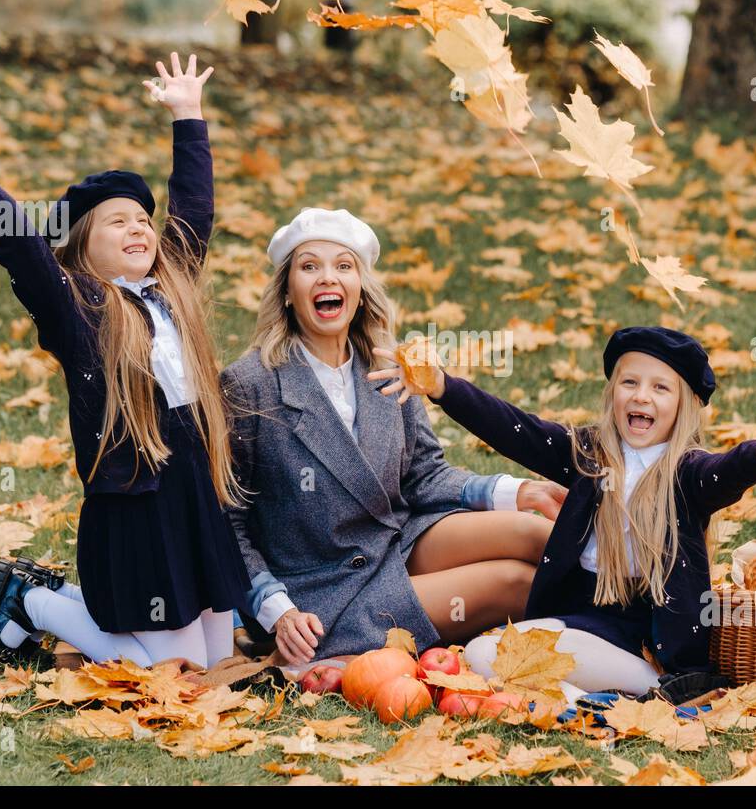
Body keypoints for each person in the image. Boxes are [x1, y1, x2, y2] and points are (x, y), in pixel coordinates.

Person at [0, 54, 249, 671]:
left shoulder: (170, 286)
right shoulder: (77, 307)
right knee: (178, 675)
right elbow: (15, 237)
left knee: (218, 663)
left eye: (144, 220)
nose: (139, 229)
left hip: (193, 490)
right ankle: (33, 602)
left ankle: (66, 600)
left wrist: (188, 114)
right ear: (82, 244)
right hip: (136, 499)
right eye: (118, 221)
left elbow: (195, 209)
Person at [370, 325, 756, 704]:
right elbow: (515, 429)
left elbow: (725, 472)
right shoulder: (588, 455)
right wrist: (443, 387)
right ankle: (586, 704)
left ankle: (662, 688)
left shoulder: (687, 474)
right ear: (613, 392)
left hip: (646, 637)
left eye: (660, 388)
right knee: (482, 653)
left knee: (516, 659)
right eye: (630, 382)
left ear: (683, 406)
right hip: (580, 618)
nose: (641, 396)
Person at [223, 207, 566, 669]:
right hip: (321, 590)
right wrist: (277, 611)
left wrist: (518, 491)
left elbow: (425, 475)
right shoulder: (250, 384)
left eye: (344, 266)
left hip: (395, 541)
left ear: (360, 289)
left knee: (537, 534)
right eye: (309, 266)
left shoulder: (386, 365)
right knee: (515, 583)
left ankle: (642, 611)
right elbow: (226, 523)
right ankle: (603, 636)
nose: (328, 277)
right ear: (286, 291)